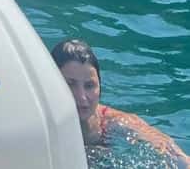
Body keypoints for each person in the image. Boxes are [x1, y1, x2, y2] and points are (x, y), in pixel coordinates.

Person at [51, 39, 189, 166]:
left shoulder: (114, 121)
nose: (82, 98)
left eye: (89, 86)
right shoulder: (40, 120)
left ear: (100, 86)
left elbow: (173, 153)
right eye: (70, 84)